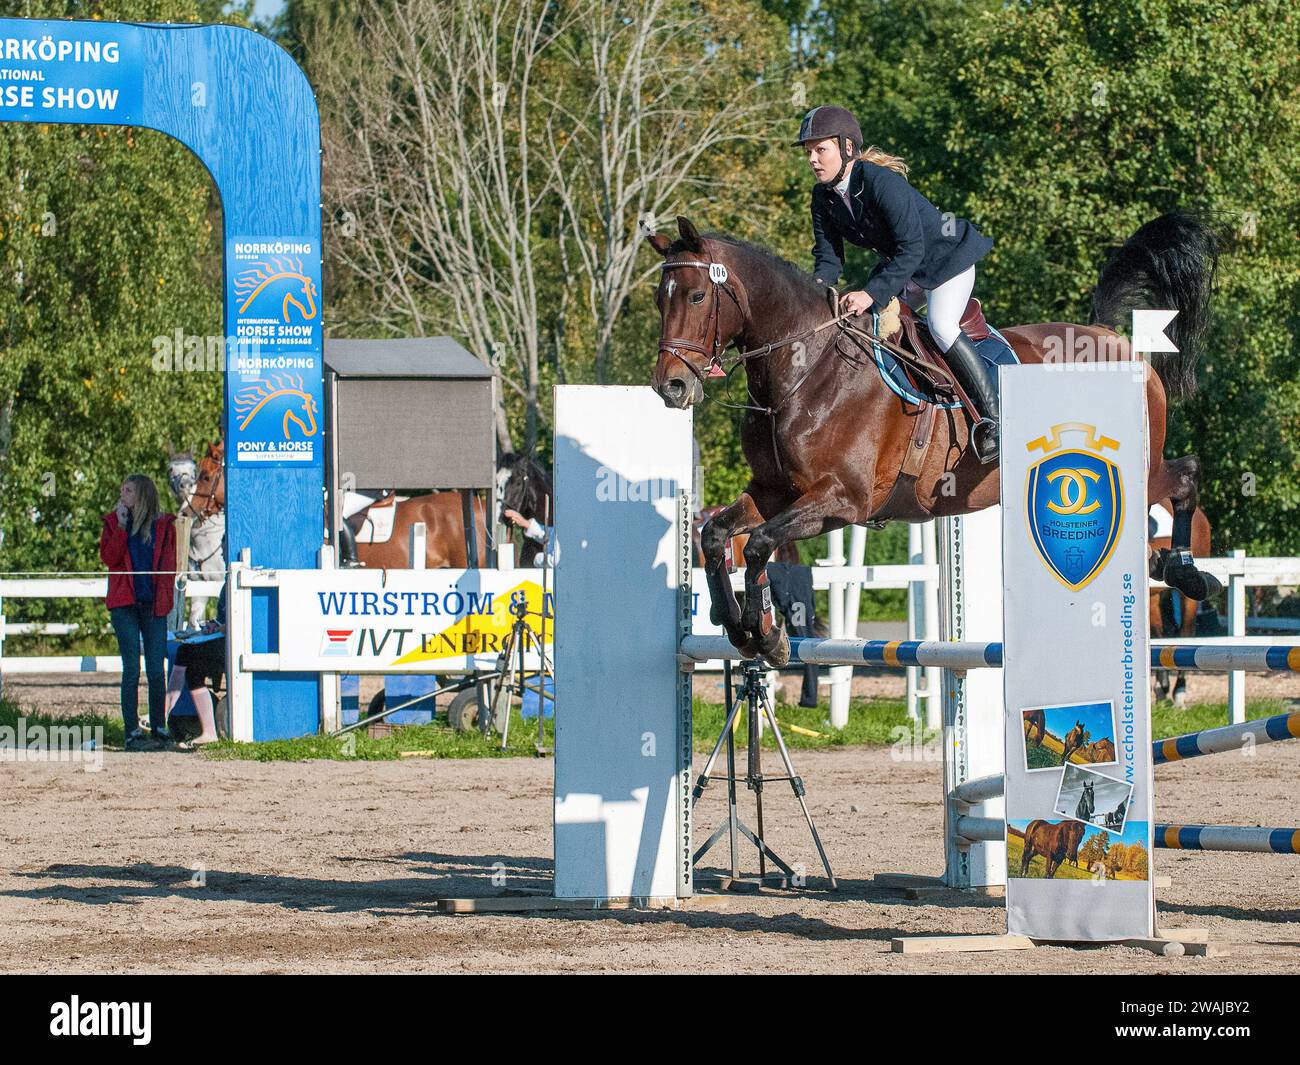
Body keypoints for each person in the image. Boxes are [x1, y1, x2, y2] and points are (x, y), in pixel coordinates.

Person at [796, 104, 1000, 462]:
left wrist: (871, 292)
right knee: (868, 329)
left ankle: (994, 420)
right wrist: (814, 298)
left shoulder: (879, 181)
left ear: (846, 148)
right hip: (908, 271)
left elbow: (912, 248)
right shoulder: (822, 197)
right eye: (808, 152)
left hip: (946, 262)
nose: (813, 159)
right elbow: (828, 260)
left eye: (820, 149)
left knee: (941, 325)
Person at [100, 474, 178, 750]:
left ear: (143, 494)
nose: (123, 494)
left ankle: (159, 726)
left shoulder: (165, 526)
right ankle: (131, 732)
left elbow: (170, 569)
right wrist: (121, 526)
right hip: (124, 605)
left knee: (157, 668)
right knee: (131, 668)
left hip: (154, 604)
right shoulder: (112, 522)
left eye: (129, 490)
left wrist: (165, 601)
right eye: (122, 489)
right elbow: (109, 557)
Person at [164, 583, 226, 748]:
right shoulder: (227, 585)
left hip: (236, 644)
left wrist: (221, 628)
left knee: (187, 655)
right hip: (223, 639)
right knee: (186, 653)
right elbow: (224, 618)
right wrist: (215, 625)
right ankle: (165, 715)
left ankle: (163, 716)